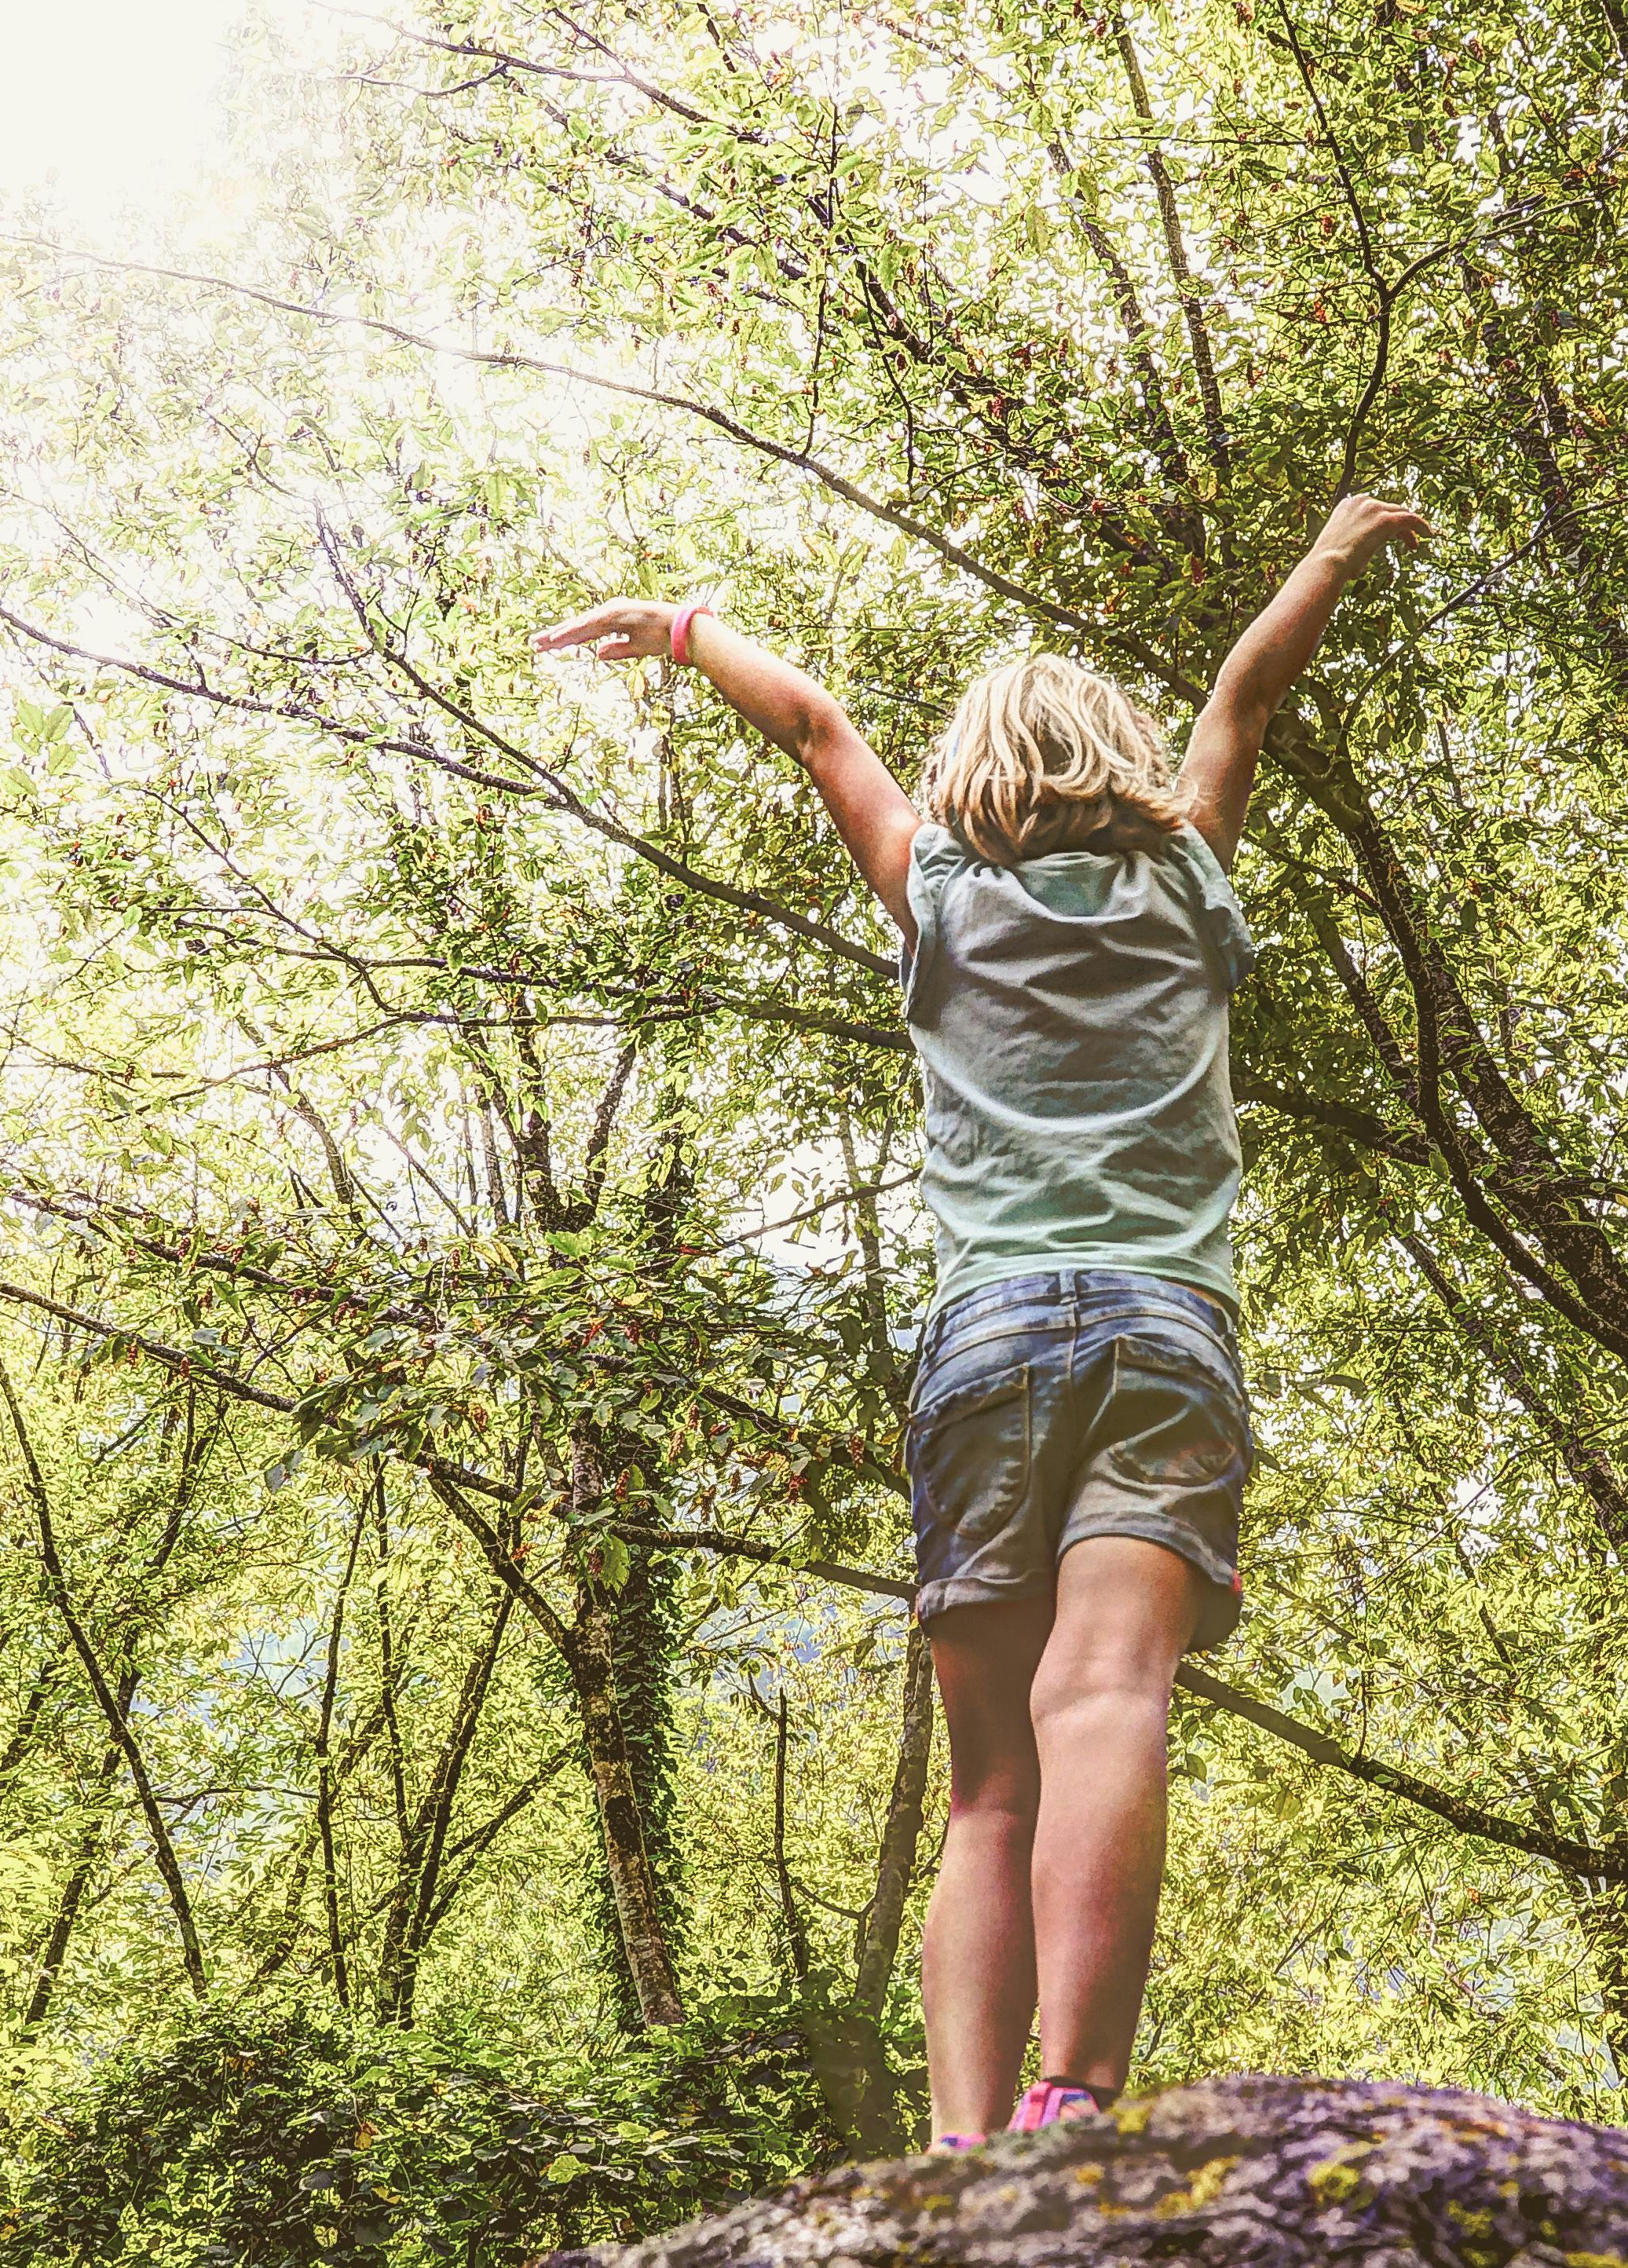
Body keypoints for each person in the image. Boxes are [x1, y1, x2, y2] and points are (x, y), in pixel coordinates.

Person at [537, 495, 1425, 2143]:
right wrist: (1327, 553)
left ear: (977, 767)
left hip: (986, 1352)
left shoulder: (942, 891)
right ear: (1119, 760)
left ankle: (957, 2146)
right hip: (1167, 1341)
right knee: (1108, 1701)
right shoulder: (1183, 881)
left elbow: (815, 727)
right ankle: (1072, 2096)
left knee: (987, 1785)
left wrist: (674, 629)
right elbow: (1245, 701)